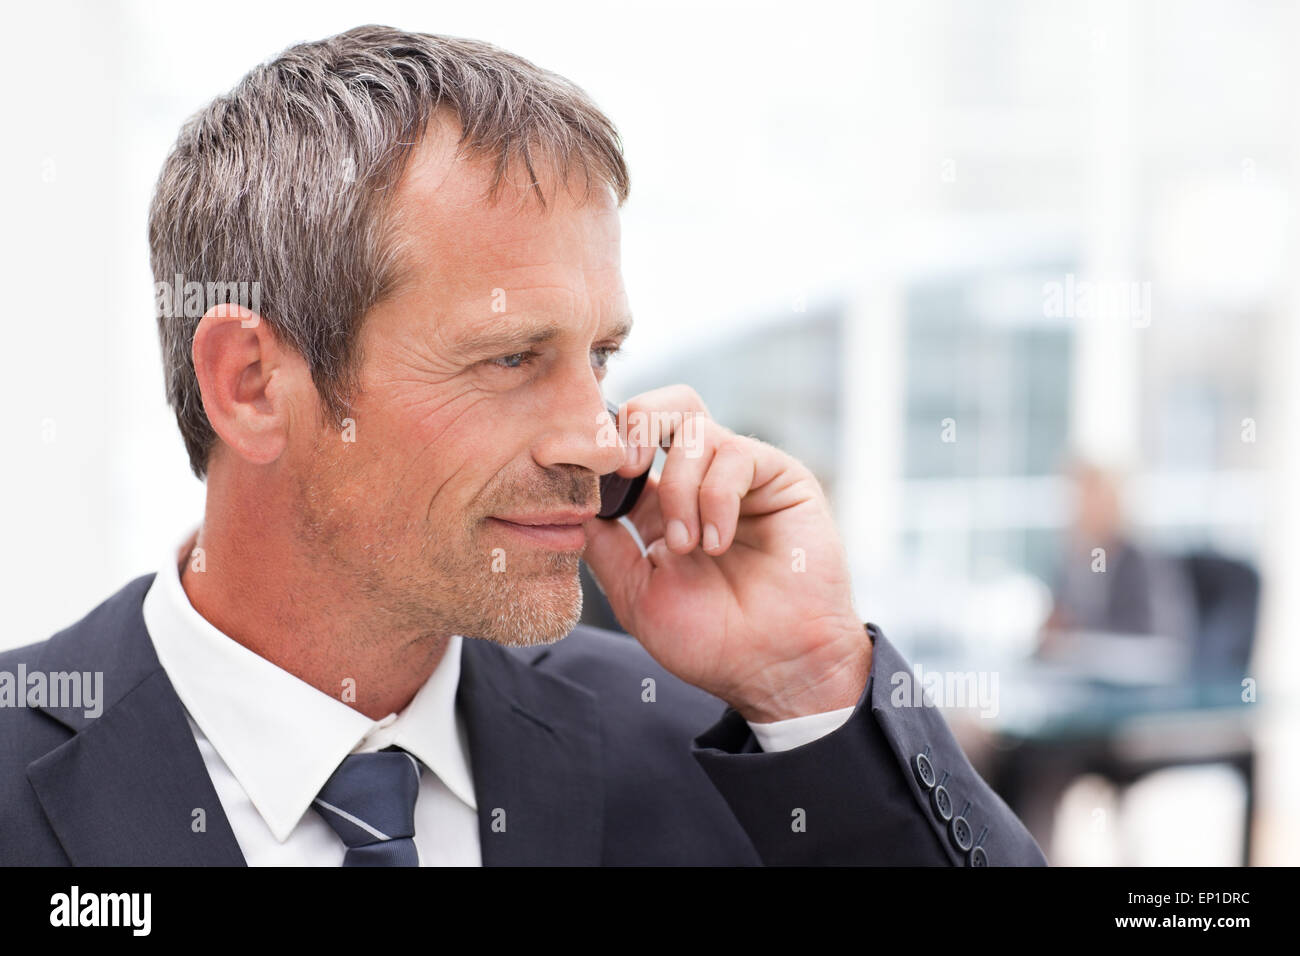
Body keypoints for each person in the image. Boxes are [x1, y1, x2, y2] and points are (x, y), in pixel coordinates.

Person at [0, 25, 1045, 866]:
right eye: (509, 358)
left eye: (598, 354)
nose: (597, 438)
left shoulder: (713, 750)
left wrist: (807, 685)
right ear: (252, 384)